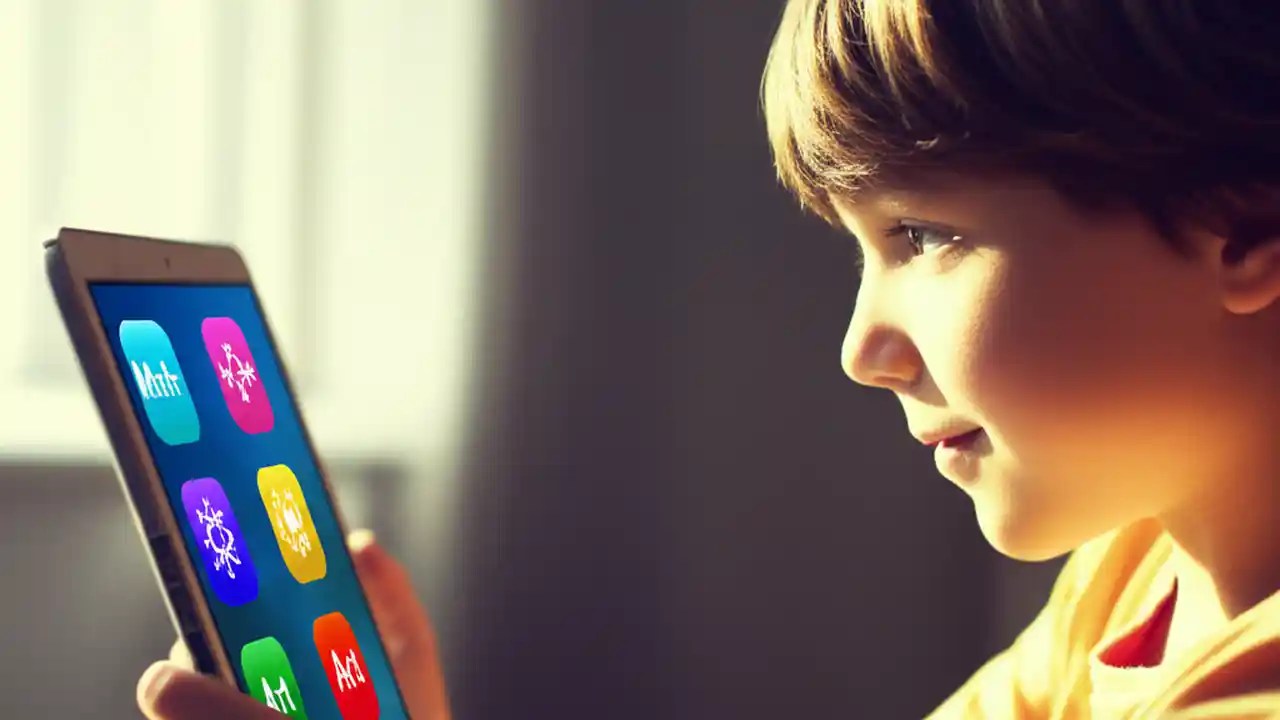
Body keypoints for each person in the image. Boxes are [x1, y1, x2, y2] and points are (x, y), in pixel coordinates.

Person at [137, 1, 1280, 718]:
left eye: (923, 236)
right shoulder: (1135, 574)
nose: (859, 352)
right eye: (860, 249)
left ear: (1239, 222)